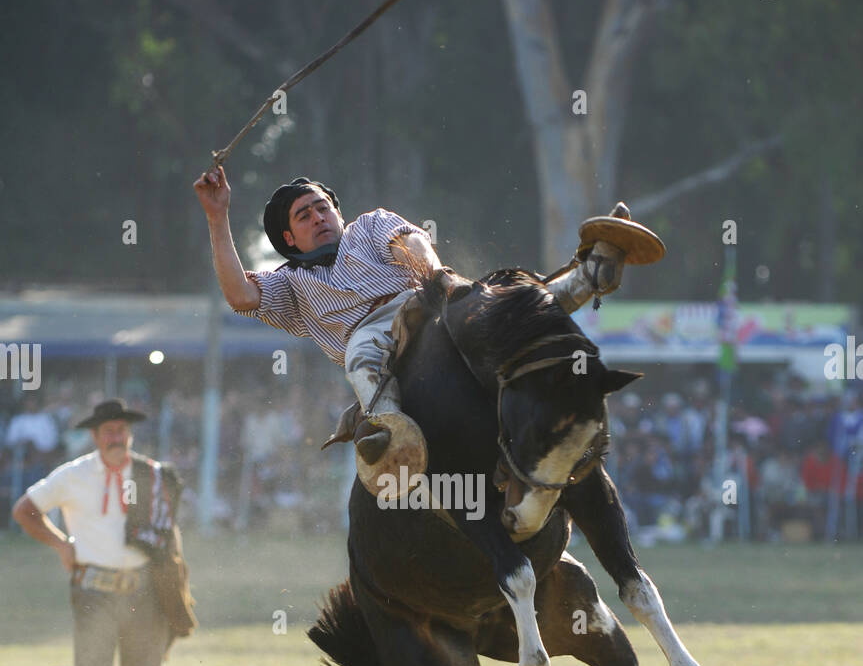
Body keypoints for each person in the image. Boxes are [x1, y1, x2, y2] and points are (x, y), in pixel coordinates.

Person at [193, 168, 627, 469]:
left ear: (337, 212)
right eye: (304, 216)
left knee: (508, 305)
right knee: (359, 357)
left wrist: (435, 275)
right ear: (289, 238)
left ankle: (589, 275)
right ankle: (392, 431)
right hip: (369, 336)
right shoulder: (288, 283)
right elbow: (239, 295)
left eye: (322, 207)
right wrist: (217, 215)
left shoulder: (368, 225)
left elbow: (410, 242)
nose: (318, 218)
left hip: (425, 298)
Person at [11, 399, 195, 666]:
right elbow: (24, 510)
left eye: (122, 430)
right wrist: (62, 544)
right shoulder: (72, 475)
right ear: (94, 436)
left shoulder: (151, 475)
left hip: (143, 591)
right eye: (109, 431)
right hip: (93, 591)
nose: (117, 437)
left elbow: (166, 533)